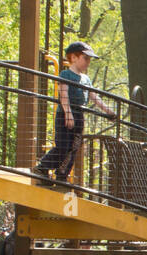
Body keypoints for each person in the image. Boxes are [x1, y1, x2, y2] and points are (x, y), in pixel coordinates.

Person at [32, 42, 118, 184]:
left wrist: (109, 111)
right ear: (73, 57)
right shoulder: (66, 74)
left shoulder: (86, 79)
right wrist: (68, 113)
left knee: (73, 148)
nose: (88, 62)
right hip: (65, 116)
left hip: (79, 116)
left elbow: (94, 97)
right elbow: (63, 94)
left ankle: (62, 174)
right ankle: (42, 167)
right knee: (63, 146)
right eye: (85, 58)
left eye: (89, 59)